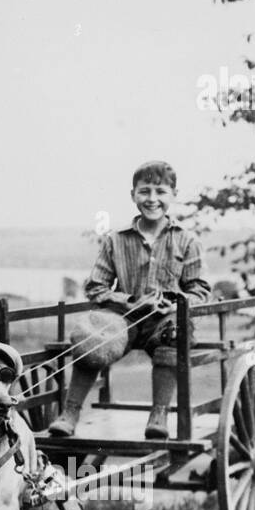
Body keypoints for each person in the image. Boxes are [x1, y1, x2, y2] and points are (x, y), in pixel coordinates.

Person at [48, 160, 211, 440]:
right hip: (124, 319)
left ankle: (159, 413)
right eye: (144, 191)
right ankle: (70, 412)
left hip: (166, 320)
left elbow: (200, 290)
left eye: (160, 191)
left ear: (173, 194)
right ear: (133, 194)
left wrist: (174, 303)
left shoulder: (186, 240)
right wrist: (132, 301)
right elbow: (96, 287)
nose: (152, 199)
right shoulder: (116, 240)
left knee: (174, 332)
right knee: (93, 335)